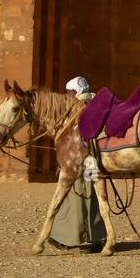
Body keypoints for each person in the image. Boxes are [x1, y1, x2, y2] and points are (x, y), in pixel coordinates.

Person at [47, 76, 106, 253]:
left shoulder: (80, 108)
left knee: (77, 196)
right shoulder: (93, 105)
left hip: (82, 161)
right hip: (93, 161)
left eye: (70, 92)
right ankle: (93, 237)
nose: (67, 95)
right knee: (90, 197)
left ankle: (77, 239)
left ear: (77, 92)